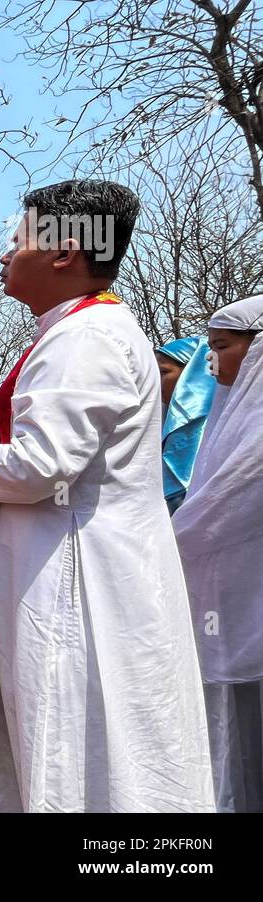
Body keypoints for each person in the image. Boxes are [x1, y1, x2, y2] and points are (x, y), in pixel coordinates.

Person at [0, 180, 213, 812]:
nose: (5, 256)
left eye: (17, 241)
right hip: (74, 565)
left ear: (65, 252)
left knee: (71, 733)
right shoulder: (77, 331)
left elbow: (43, 465)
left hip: (77, 582)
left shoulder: (84, 339)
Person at [173, 294, 263, 812]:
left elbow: (219, 510)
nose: (210, 361)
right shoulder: (228, 421)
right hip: (226, 606)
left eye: (222, 347)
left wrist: (154, 548)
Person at [155, 336, 216, 513]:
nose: (156, 382)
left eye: (164, 372)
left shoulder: (222, 423)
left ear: (192, 375)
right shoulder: (158, 421)